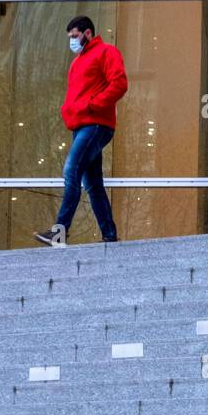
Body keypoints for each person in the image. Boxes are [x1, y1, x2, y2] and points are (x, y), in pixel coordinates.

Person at [34, 16, 128, 246]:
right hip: (81, 126)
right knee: (93, 184)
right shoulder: (77, 63)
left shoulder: (107, 52)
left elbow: (120, 83)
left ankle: (60, 231)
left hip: (96, 124)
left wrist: (93, 105)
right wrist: (69, 111)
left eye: (75, 36)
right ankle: (109, 235)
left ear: (87, 33)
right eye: (70, 37)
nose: (72, 41)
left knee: (71, 169)